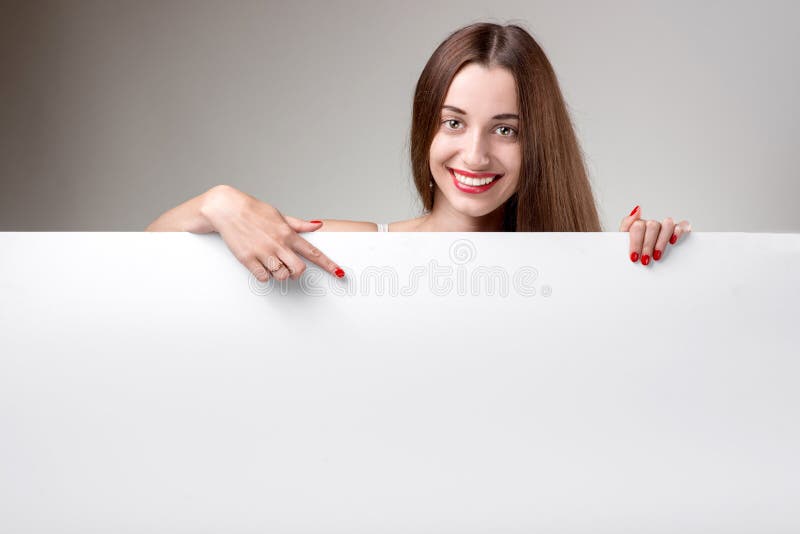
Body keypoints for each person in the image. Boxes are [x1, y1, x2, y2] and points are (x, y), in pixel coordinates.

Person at [146, 22, 691, 283]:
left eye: (506, 131)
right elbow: (141, 258)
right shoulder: (354, 252)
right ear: (426, 130)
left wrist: (642, 270)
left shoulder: (580, 272)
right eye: (453, 123)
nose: (474, 155)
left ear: (538, 146)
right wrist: (218, 204)